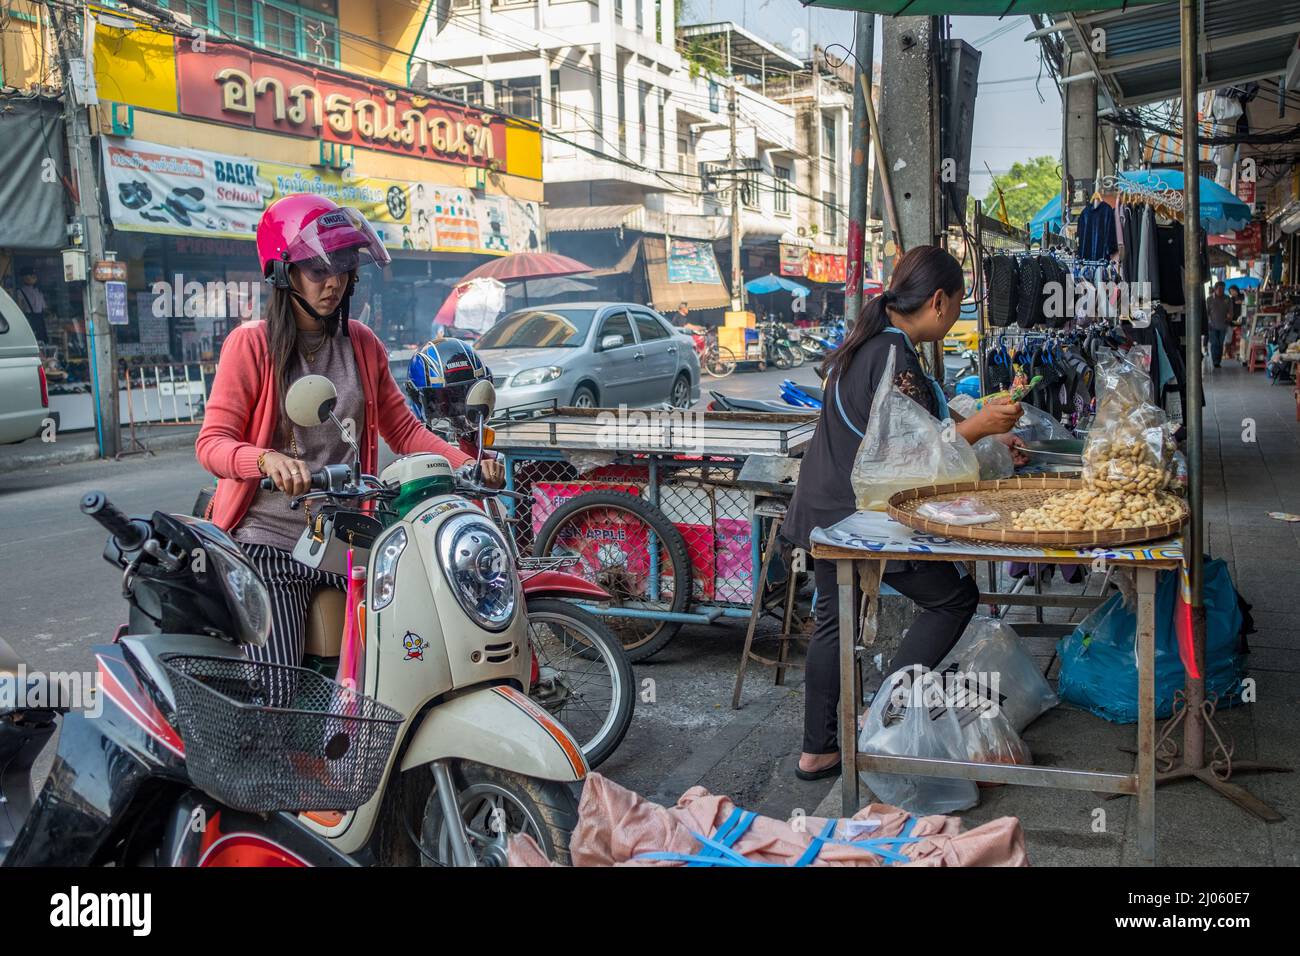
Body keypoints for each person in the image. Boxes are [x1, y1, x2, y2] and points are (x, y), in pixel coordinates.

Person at [195, 194, 503, 671]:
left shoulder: (362, 343)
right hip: (268, 540)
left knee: (400, 664)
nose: (334, 282)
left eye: (343, 268)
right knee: (275, 690)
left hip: (350, 537)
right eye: (318, 270)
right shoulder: (250, 344)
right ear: (284, 272)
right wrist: (265, 460)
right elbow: (212, 443)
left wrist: (468, 465)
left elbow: (404, 431)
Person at [781, 245, 1027, 781]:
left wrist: (984, 432)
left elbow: (911, 432)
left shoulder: (867, 344)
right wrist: (979, 427)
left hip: (826, 504)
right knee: (953, 597)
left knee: (833, 621)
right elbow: (910, 453)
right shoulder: (895, 354)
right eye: (959, 305)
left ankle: (818, 749)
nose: (957, 315)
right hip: (858, 513)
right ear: (937, 301)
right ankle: (884, 711)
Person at [15, 267, 50, 344]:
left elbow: (44, 307)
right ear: (24, 278)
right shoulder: (20, 291)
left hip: (40, 318)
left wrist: (50, 314)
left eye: (34, 277)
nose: (34, 278)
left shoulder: (38, 290)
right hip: (30, 318)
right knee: (33, 339)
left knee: (42, 339)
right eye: (31, 277)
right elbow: (20, 308)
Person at [1206, 281, 1231, 369]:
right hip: (1212, 325)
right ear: (1215, 289)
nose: (1221, 291)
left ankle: (1218, 361)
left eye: (1223, 289)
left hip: (1223, 325)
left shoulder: (1227, 298)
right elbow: (1206, 313)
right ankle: (1215, 361)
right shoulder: (1209, 299)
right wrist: (1207, 322)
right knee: (1214, 343)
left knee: (1220, 343)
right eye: (1220, 289)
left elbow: (1230, 311)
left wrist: (1229, 317)